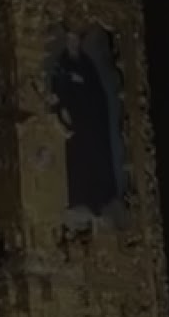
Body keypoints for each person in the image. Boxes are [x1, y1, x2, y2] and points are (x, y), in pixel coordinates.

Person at [50, 31, 118, 216]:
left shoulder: (87, 63)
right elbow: (57, 90)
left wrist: (83, 82)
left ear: (80, 41)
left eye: (75, 39)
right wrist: (61, 108)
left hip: (90, 121)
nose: (72, 43)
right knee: (76, 159)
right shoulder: (61, 63)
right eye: (69, 39)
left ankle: (98, 198)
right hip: (72, 122)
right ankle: (78, 198)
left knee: (94, 158)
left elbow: (98, 93)